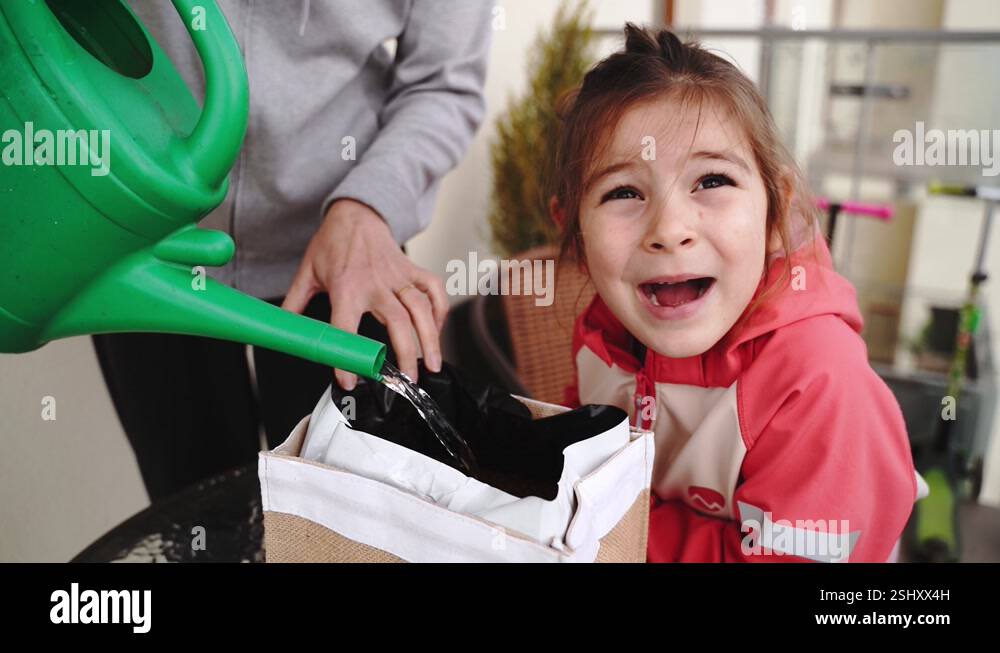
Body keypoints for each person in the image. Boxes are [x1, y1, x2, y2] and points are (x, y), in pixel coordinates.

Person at [94, 0, 493, 501]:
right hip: (144, 239)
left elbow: (443, 83)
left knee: (344, 520)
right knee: (196, 517)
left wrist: (369, 204)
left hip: (344, 255)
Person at [555, 25, 921, 562]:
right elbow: (576, 474)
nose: (669, 227)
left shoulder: (819, 380)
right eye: (624, 191)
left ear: (777, 216)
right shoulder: (603, 337)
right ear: (579, 240)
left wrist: (615, 530)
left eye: (711, 181)